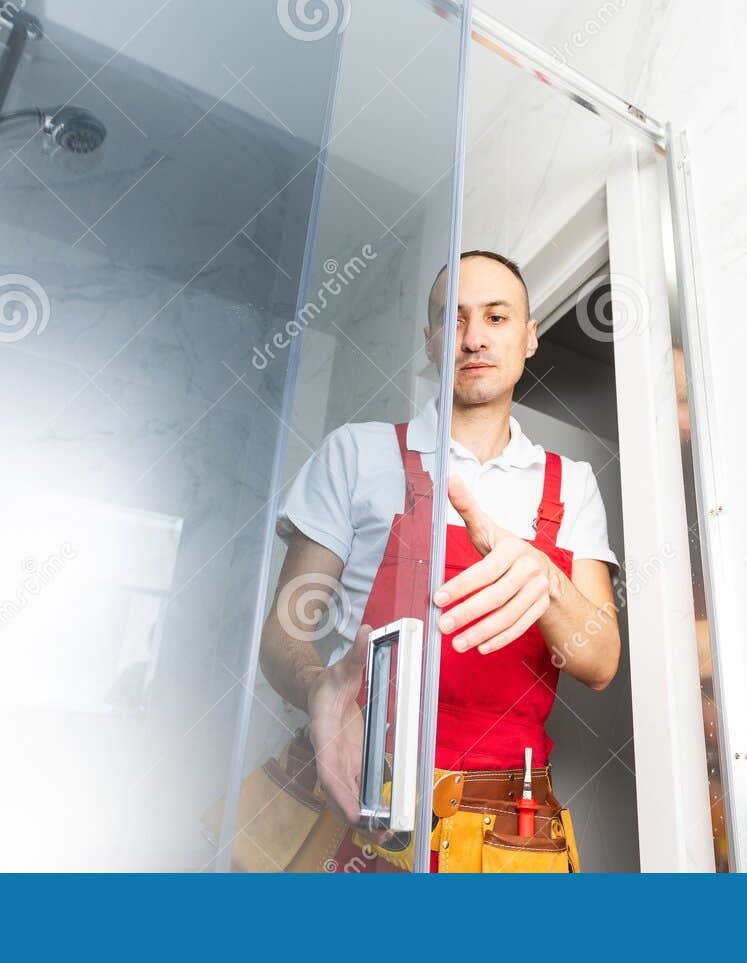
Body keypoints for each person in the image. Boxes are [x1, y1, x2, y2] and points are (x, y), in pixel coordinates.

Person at [257, 250, 621, 872]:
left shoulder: (572, 484)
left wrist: (546, 580)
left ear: (530, 337)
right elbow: (282, 633)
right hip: (361, 789)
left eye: (497, 318)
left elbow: (601, 661)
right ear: (428, 342)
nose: (474, 337)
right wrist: (318, 685)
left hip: (509, 831)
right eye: (452, 320)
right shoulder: (356, 455)